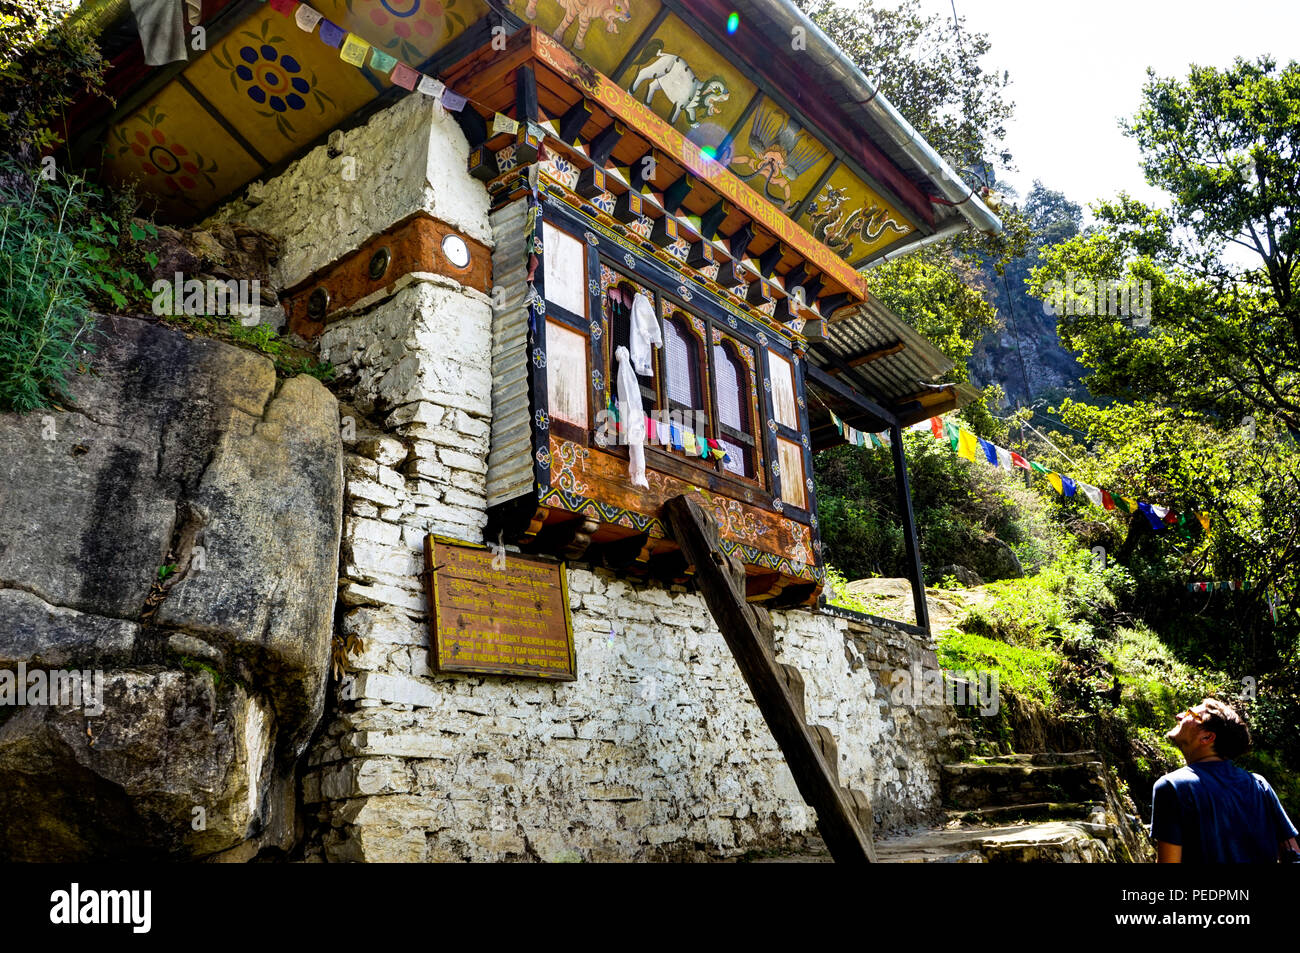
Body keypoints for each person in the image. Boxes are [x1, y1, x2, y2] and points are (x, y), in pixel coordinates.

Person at [1151, 698, 1299, 862]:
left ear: (1207, 737)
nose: (1179, 716)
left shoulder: (1173, 787)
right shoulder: (1259, 785)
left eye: (1190, 713)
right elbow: (1293, 854)